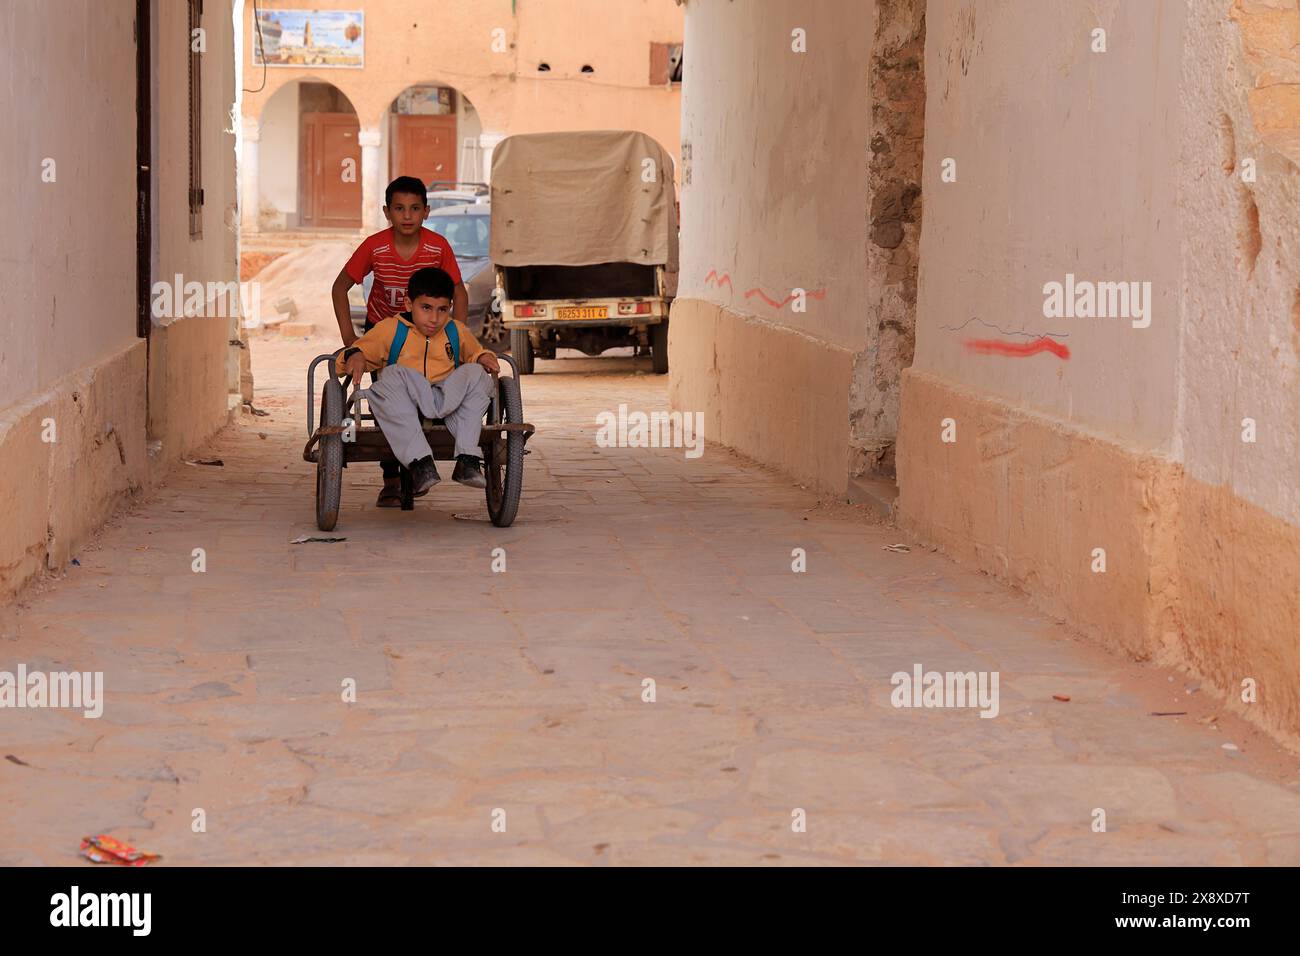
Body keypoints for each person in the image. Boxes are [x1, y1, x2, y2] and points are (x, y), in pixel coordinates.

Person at [331, 175, 471, 506]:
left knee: (430, 389)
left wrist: (459, 334)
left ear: (426, 212)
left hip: (430, 332)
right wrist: (350, 338)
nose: (407, 216)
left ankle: (428, 447)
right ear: (386, 212)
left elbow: (459, 291)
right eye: (399, 209)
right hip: (386, 335)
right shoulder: (374, 246)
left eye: (414, 208)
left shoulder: (437, 247)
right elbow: (340, 287)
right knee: (389, 399)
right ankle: (391, 477)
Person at [338, 268, 500, 495]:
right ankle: (421, 463)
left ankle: (467, 459)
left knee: (476, 374)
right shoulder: (389, 329)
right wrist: (354, 355)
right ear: (408, 304)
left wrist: (482, 357)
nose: (434, 318)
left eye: (442, 310)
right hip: (405, 404)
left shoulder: (455, 330)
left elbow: (474, 353)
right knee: (390, 376)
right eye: (426, 308)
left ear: (450, 308)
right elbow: (351, 357)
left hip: (445, 402)